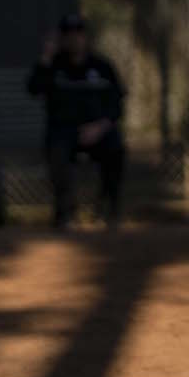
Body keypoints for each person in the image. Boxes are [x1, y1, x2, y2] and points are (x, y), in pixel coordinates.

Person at [26, 14, 127, 227]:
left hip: (98, 131)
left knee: (116, 146)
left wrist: (100, 127)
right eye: (68, 35)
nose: (74, 39)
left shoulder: (102, 67)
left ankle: (109, 210)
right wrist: (46, 57)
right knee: (56, 150)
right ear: (62, 38)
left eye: (78, 34)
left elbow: (117, 105)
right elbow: (34, 88)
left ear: (86, 37)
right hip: (63, 132)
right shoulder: (53, 65)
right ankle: (64, 213)